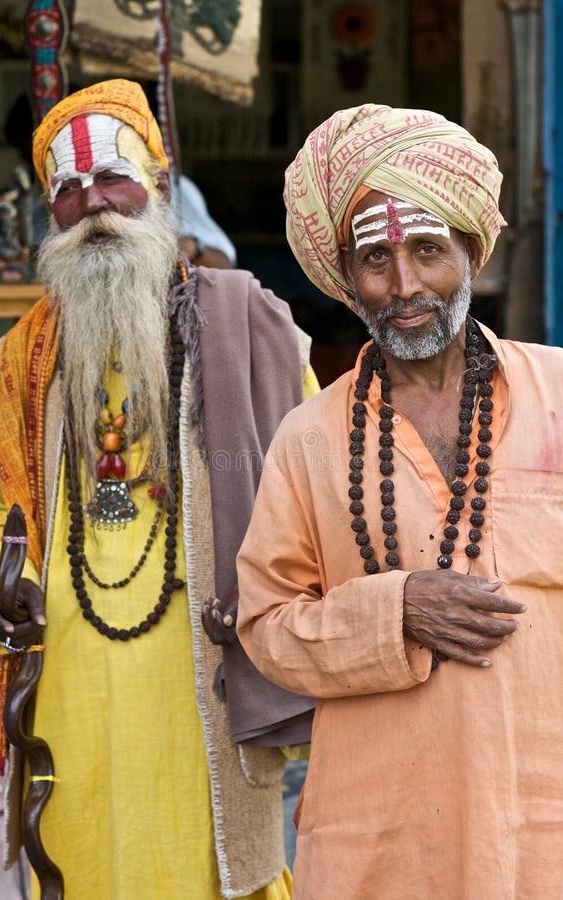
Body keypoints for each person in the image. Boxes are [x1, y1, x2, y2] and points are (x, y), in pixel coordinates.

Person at [0, 79, 318, 900]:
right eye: (68, 189)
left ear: (159, 186)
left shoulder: (251, 328)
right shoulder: (17, 366)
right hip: (68, 697)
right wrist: (8, 580)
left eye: (113, 178)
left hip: (204, 686)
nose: (93, 204)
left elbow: (314, 489)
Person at [236, 103, 563, 899]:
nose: (405, 285)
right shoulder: (307, 437)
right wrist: (396, 610)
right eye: (376, 259)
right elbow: (265, 626)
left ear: (472, 254)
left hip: (543, 825)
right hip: (381, 837)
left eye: (428, 250)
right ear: (347, 281)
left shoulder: (559, 393)